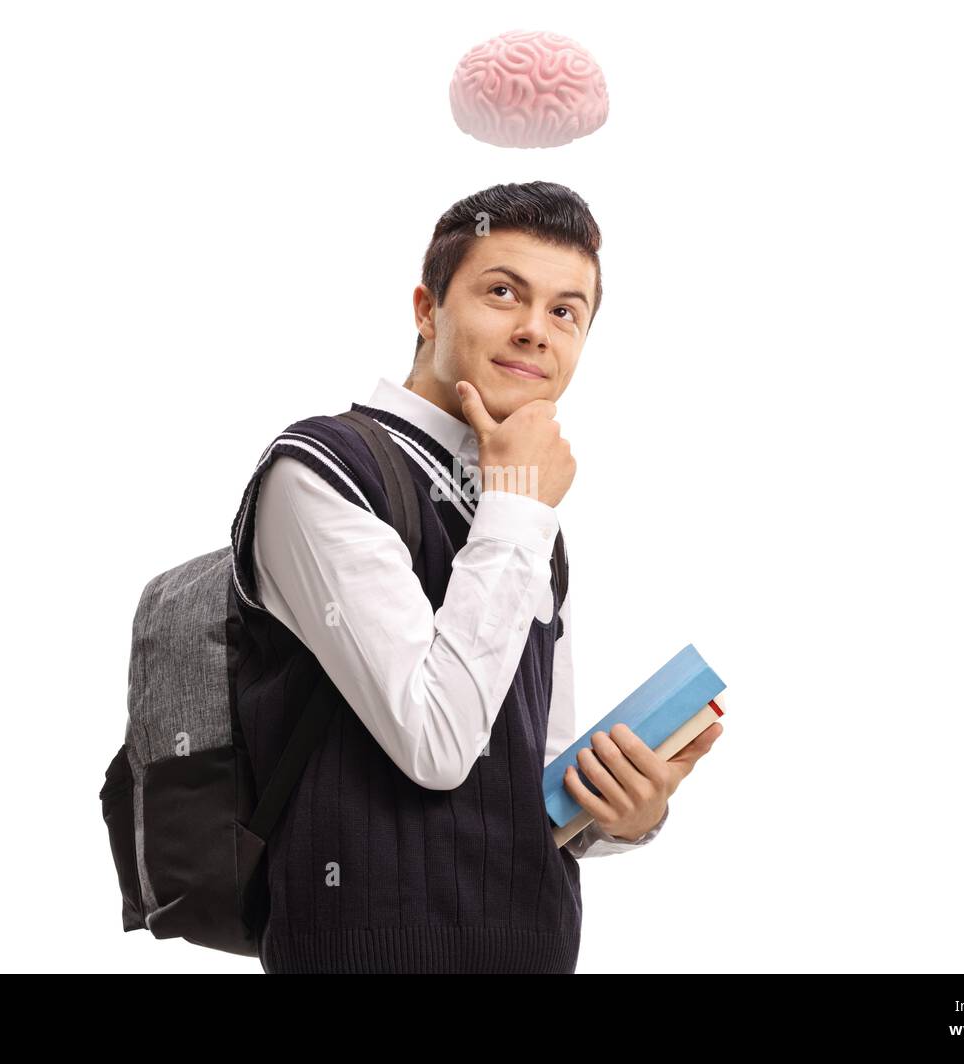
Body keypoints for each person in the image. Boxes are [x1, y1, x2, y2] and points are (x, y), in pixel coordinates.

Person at [232, 181, 723, 974]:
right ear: (427, 309)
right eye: (503, 293)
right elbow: (436, 746)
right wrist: (518, 508)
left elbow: (533, 774)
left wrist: (628, 812)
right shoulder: (323, 471)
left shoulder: (520, 508)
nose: (535, 330)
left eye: (566, 312)